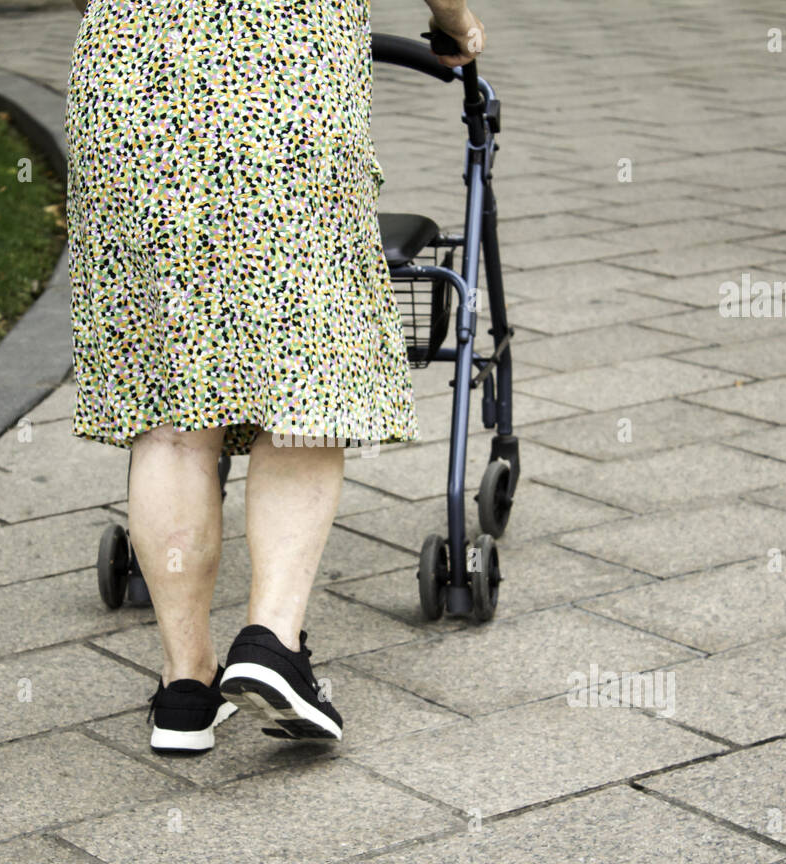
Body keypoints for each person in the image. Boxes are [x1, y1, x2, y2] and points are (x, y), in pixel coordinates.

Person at [65, 0, 485, 754]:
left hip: (126, 89)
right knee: (304, 378)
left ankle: (185, 689)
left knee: (171, 406)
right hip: (282, 88)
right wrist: (455, 24)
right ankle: (271, 643)